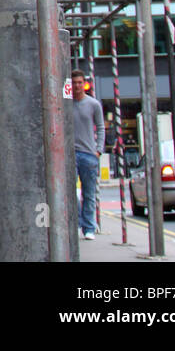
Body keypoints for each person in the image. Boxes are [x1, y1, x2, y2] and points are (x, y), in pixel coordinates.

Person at [72, 69, 105, 240]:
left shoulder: (93, 104)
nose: (77, 86)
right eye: (74, 82)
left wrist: (98, 150)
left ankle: (89, 227)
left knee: (89, 192)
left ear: (84, 83)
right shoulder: (66, 103)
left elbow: (100, 127)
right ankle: (78, 223)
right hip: (70, 154)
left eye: (80, 82)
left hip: (88, 154)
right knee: (71, 191)